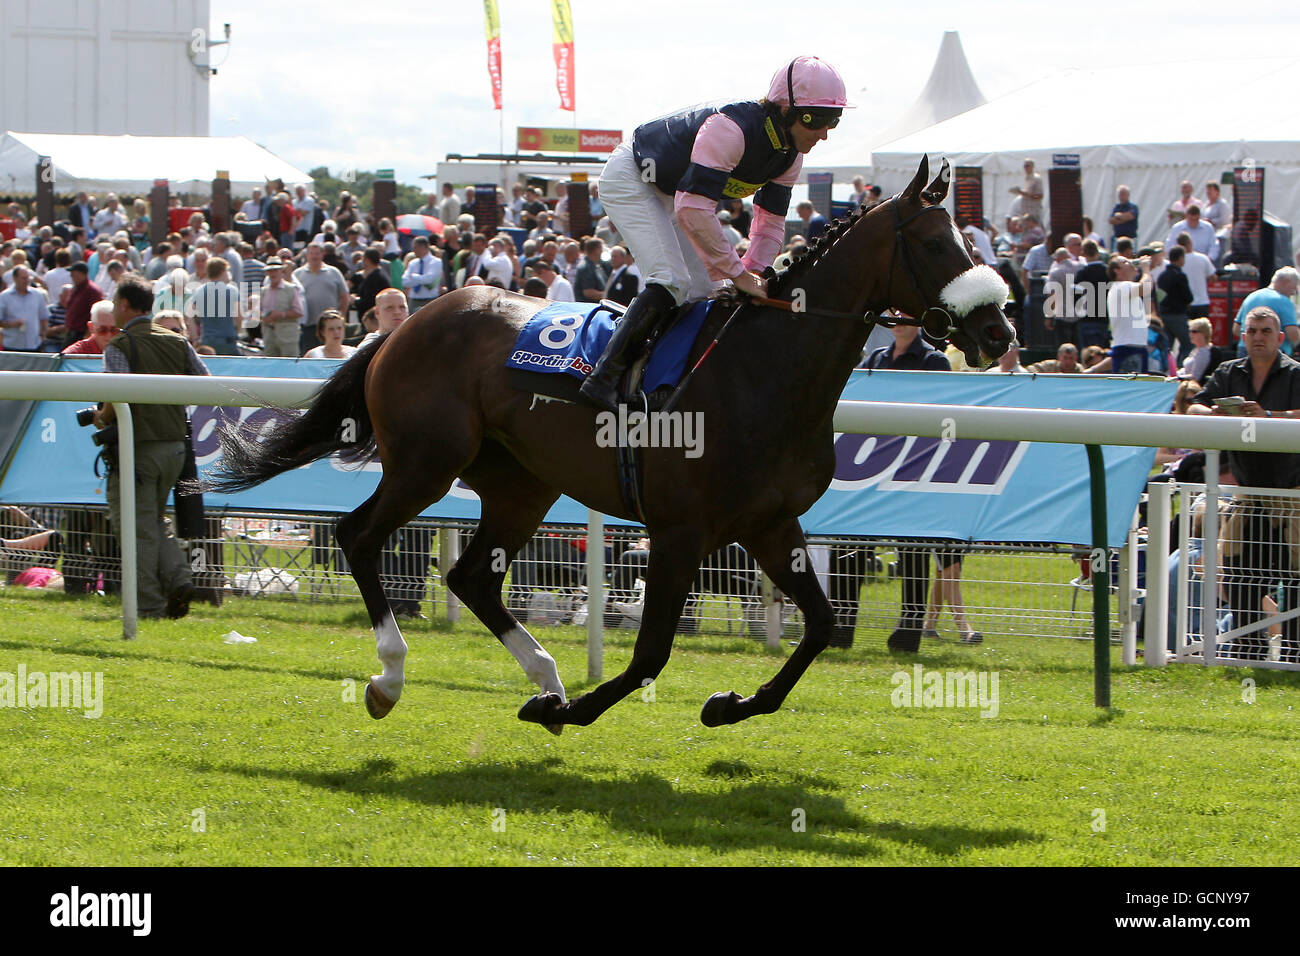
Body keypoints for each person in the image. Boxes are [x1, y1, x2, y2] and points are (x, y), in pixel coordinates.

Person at [581, 55, 849, 412]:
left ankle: (657, 380)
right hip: (632, 177)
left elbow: (769, 225)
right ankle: (601, 379)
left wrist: (754, 272)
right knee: (670, 281)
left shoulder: (789, 157)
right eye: (820, 120)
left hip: (673, 191)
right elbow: (692, 209)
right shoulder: (731, 129)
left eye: (835, 120)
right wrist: (737, 274)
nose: (825, 132)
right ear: (787, 111)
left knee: (703, 291)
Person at [92, 277, 210, 620]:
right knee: (154, 523)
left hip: (140, 448)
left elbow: (118, 394)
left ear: (126, 305)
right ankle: (177, 578)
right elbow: (205, 383)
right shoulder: (177, 341)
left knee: (136, 528)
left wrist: (101, 417)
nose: (114, 308)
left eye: (115, 302)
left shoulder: (120, 346)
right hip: (175, 447)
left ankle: (147, 605)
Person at [1189, 306, 1300, 662]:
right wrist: (1215, 415)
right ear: (1243, 335)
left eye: (1266, 331)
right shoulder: (1227, 373)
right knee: (1241, 579)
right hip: (1248, 497)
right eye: (1252, 330)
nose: (1258, 337)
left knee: (1296, 581)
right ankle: (1247, 654)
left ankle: (1295, 657)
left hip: (1292, 499)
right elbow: (1193, 409)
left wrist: (1268, 417)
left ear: (1280, 338)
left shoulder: (1296, 375)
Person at [861, 323, 950, 652]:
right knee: (852, 545)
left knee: (912, 552)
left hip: (915, 469)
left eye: (906, 314)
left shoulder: (935, 361)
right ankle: (840, 626)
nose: (898, 318)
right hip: (871, 466)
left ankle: (909, 631)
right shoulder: (875, 358)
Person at [258, 257, 305, 357]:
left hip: (287, 337)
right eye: (270, 271)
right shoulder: (264, 291)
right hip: (269, 336)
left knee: (289, 366)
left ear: (281, 271)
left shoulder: (291, 289)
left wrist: (280, 315)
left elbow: (299, 312)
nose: (273, 274)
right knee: (271, 365)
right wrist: (262, 316)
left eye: (275, 270)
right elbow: (258, 311)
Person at [0, 266, 50, 352]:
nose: (26, 281)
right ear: (15, 278)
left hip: (34, 344)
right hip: (13, 345)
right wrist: (12, 324)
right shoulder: (4, 297)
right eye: (23, 278)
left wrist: (43, 335)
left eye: (28, 278)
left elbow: (44, 317)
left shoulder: (38, 295)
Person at [1176, 317, 1213, 383]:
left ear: (1204, 333)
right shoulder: (1196, 349)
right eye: (1189, 331)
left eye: (1194, 331)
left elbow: (1195, 377)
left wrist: (1178, 377)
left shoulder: (1203, 352)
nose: (1190, 334)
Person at [1109, 185, 1139, 250]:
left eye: (1123, 194)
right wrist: (1124, 218)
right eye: (1120, 194)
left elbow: (1130, 216)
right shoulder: (1116, 207)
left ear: (1128, 195)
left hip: (1130, 238)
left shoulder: (1133, 207)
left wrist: (1118, 216)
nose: (1121, 196)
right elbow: (1111, 220)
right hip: (1118, 238)